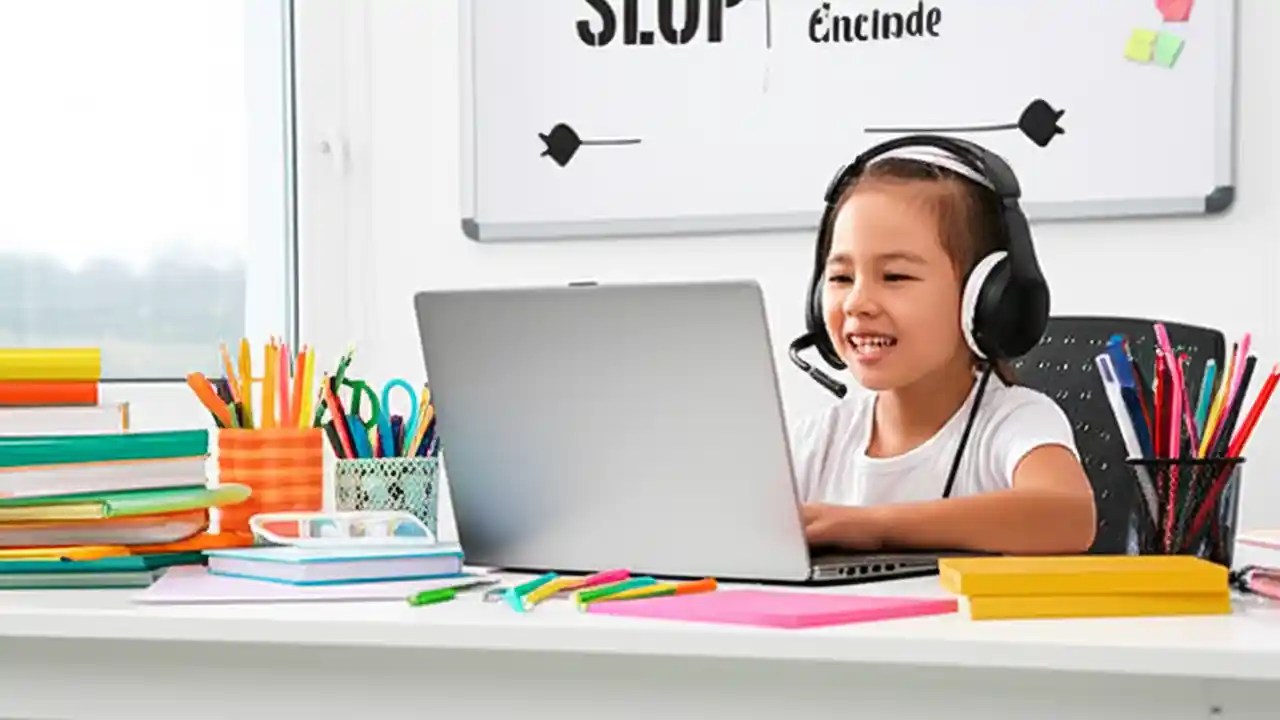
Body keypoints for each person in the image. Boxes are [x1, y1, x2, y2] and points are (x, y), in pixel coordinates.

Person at [789, 140, 1096, 555]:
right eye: (841, 278)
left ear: (985, 299)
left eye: (895, 276)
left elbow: (1068, 518)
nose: (858, 303)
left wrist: (870, 526)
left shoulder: (1013, 421)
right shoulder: (818, 440)